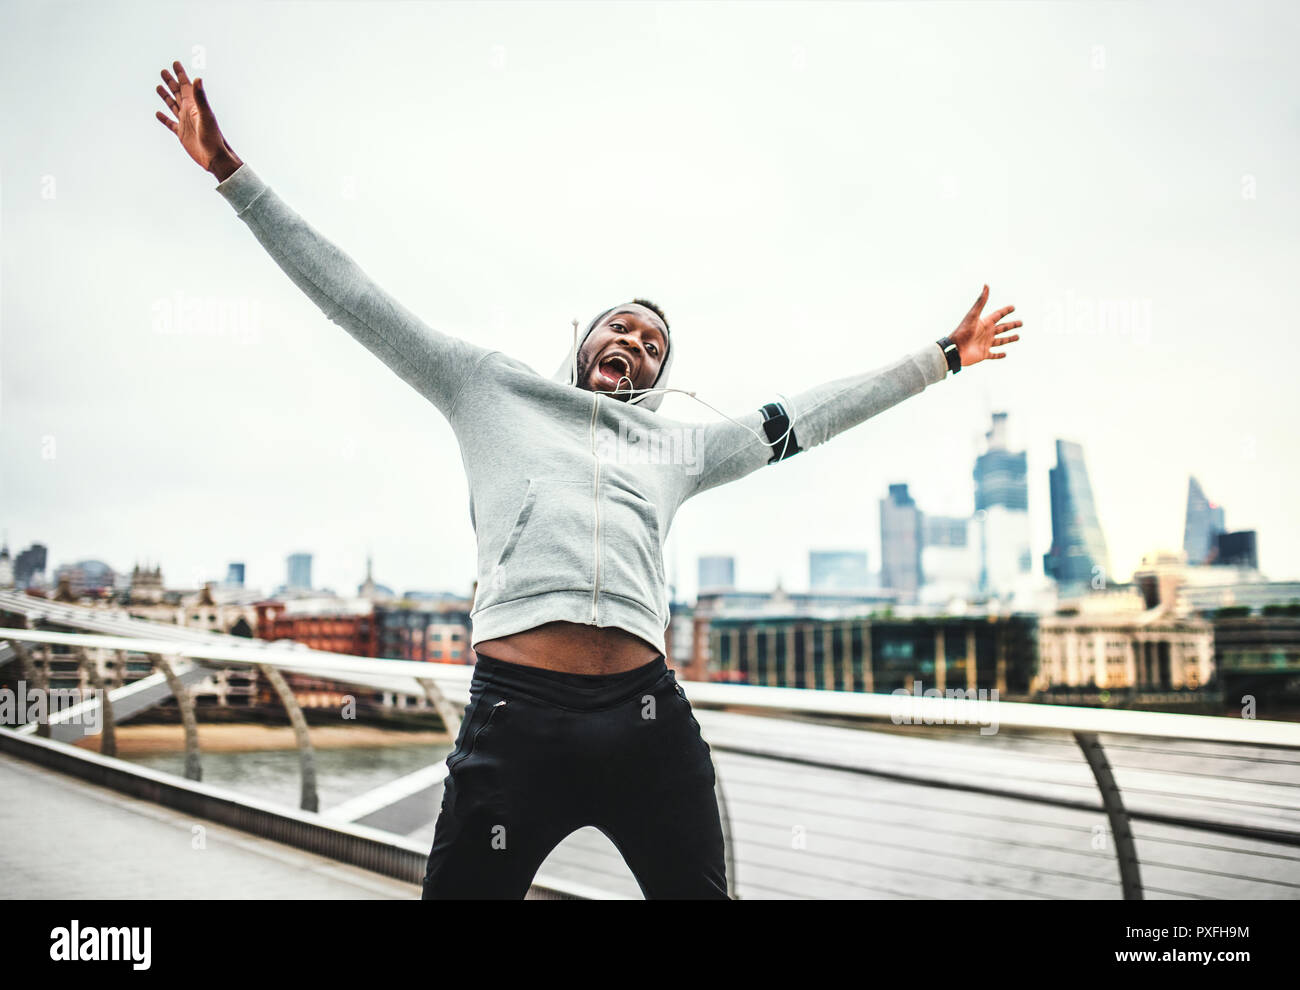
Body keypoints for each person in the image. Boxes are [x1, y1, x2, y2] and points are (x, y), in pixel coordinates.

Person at [153, 61, 1023, 899]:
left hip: (646, 721)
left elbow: (806, 417)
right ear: (583, 341)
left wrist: (940, 357)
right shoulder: (486, 387)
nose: (636, 343)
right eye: (622, 326)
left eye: (654, 345)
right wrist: (231, 173)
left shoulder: (677, 450)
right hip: (515, 718)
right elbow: (355, 299)